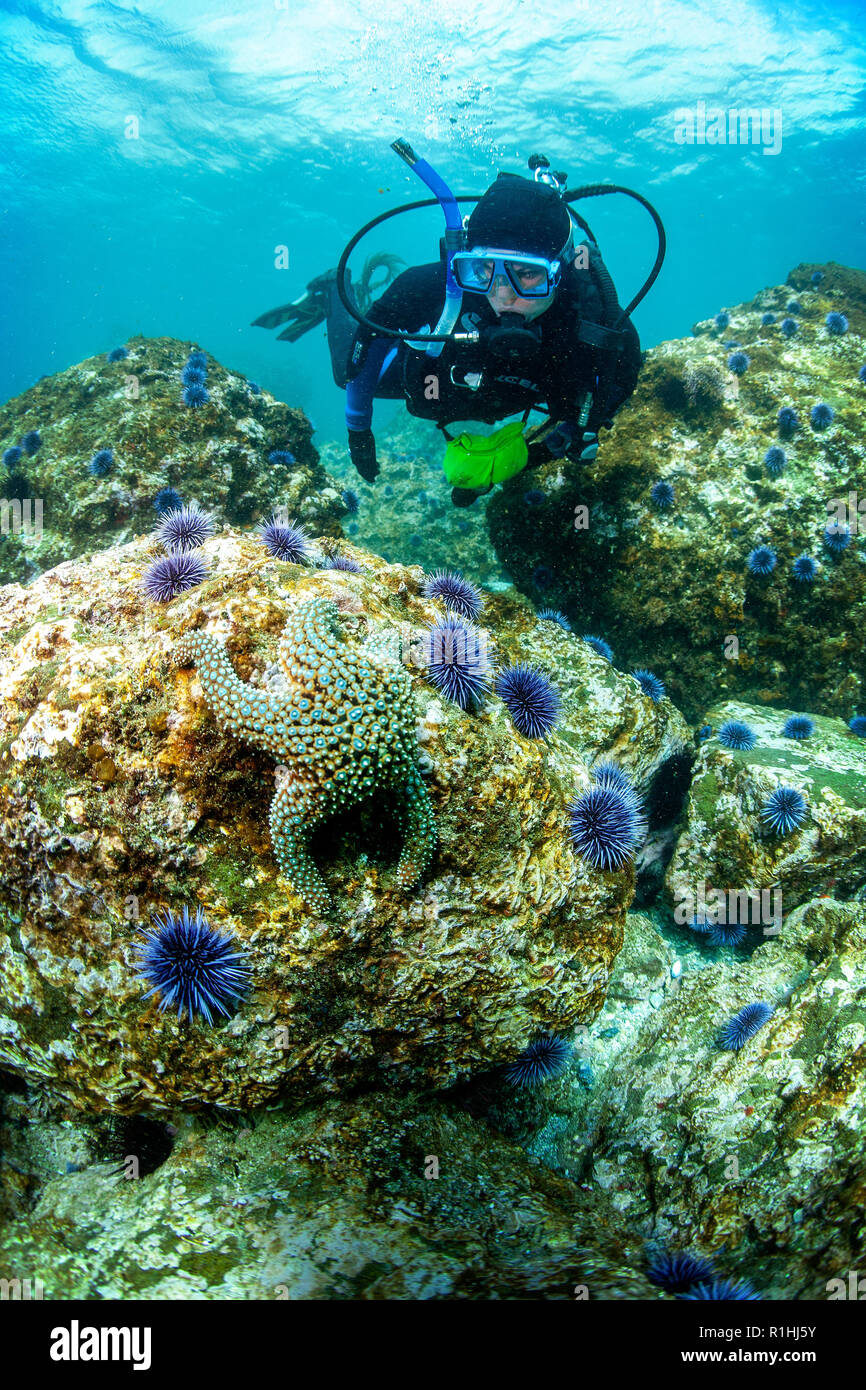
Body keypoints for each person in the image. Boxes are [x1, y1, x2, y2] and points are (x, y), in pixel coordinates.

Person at [253, 169, 644, 506]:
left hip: (496, 397)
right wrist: (358, 429)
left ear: (560, 270)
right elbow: (369, 340)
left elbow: (613, 389)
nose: (502, 295)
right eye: (484, 269)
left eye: (527, 275)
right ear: (467, 260)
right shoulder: (431, 287)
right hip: (430, 377)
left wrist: (539, 451)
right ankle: (331, 292)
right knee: (346, 370)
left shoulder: (595, 324)